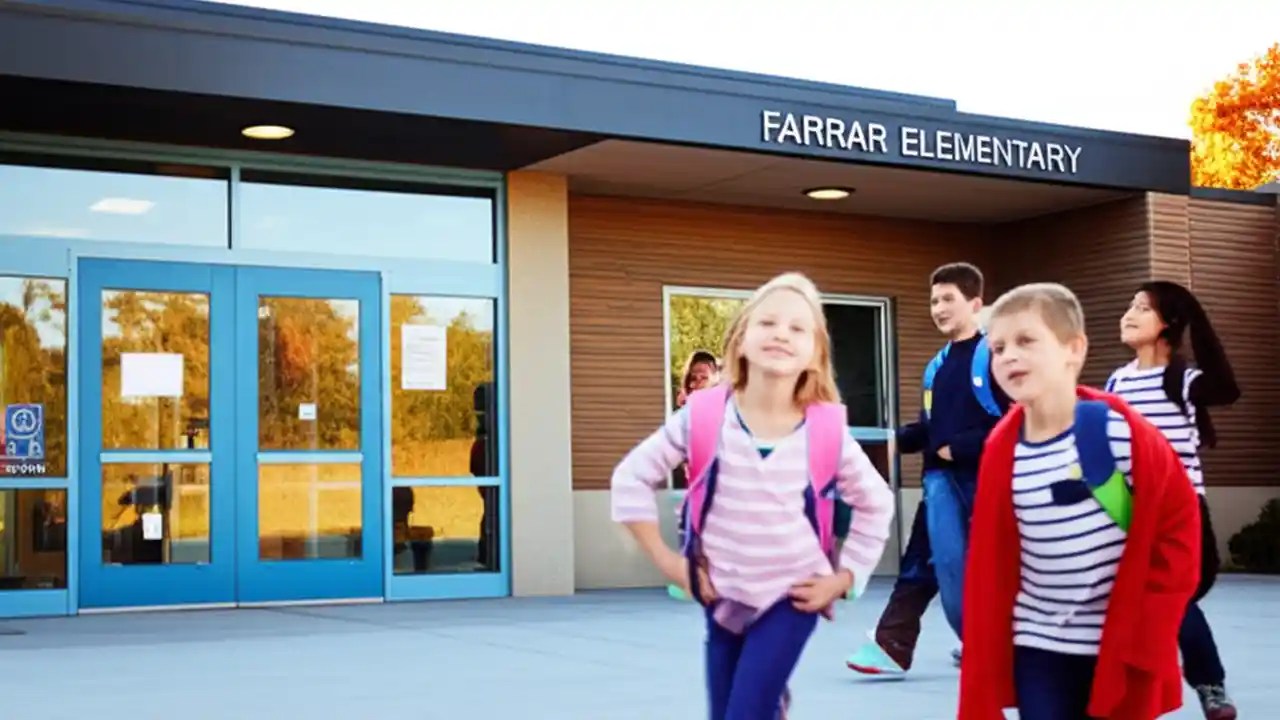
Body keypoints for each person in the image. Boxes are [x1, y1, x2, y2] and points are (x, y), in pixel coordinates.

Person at [611, 272, 896, 719]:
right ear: (741, 340)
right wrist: (670, 563)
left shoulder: (826, 431)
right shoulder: (703, 417)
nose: (781, 333)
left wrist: (843, 578)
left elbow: (876, 502)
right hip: (721, 592)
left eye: (797, 328)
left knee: (746, 711)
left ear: (815, 353)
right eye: (768, 323)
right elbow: (630, 477)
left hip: (793, 595)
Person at [960, 282, 1201, 720]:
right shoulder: (1002, 449)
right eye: (997, 348)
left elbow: (1178, 530)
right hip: (1037, 642)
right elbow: (990, 560)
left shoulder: (1119, 433)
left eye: (1026, 341)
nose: (1008, 355)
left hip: (1115, 643)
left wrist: (1151, 625)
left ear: (1074, 349)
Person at [846, 262, 1009, 675]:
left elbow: (1016, 420)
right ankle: (892, 645)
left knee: (993, 569)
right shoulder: (936, 366)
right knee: (920, 561)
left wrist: (963, 447)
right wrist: (889, 442)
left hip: (986, 485)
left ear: (976, 303)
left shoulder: (995, 356)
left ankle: (994, 645)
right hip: (939, 486)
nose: (938, 308)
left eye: (948, 299)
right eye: (934, 300)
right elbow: (928, 428)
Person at [1107, 281, 1241, 720]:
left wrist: (1199, 323)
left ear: (1169, 324)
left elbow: (1226, 389)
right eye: (1129, 305)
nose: (1128, 313)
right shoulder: (1117, 381)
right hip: (1129, 510)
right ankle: (1194, 687)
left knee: (1175, 599)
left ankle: (1210, 686)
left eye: (1142, 308)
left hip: (1179, 510)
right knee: (1148, 601)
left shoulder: (1181, 378)